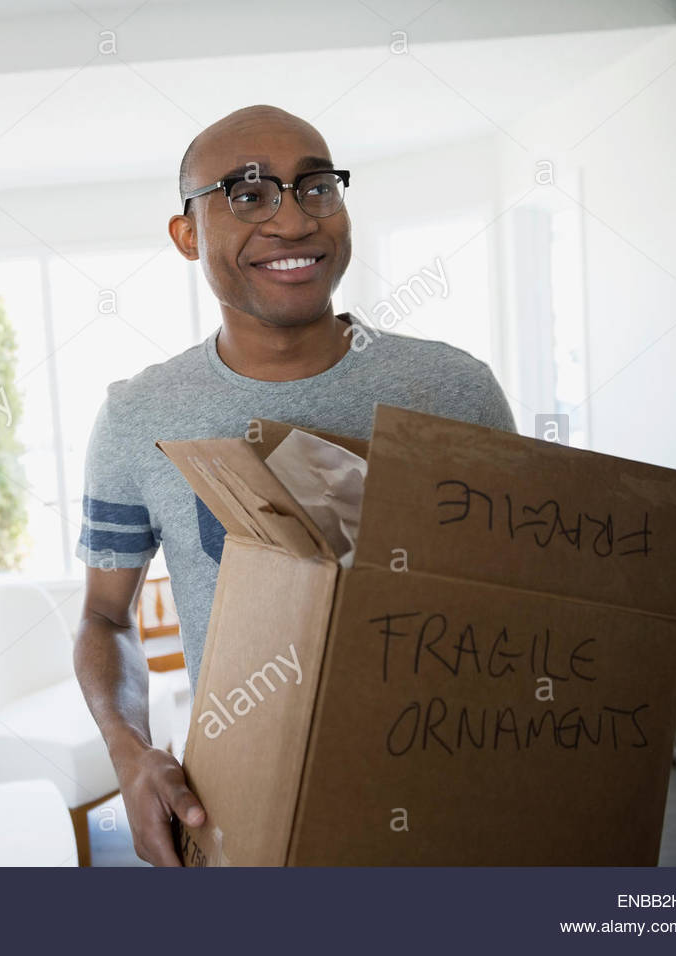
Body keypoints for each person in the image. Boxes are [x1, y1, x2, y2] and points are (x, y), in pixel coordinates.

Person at [71, 104, 517, 867]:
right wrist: (128, 751)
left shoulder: (455, 390)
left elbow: (528, 597)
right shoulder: (136, 416)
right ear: (187, 235)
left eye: (315, 188)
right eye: (248, 196)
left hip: (449, 799)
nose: (293, 220)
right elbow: (105, 618)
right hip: (246, 814)